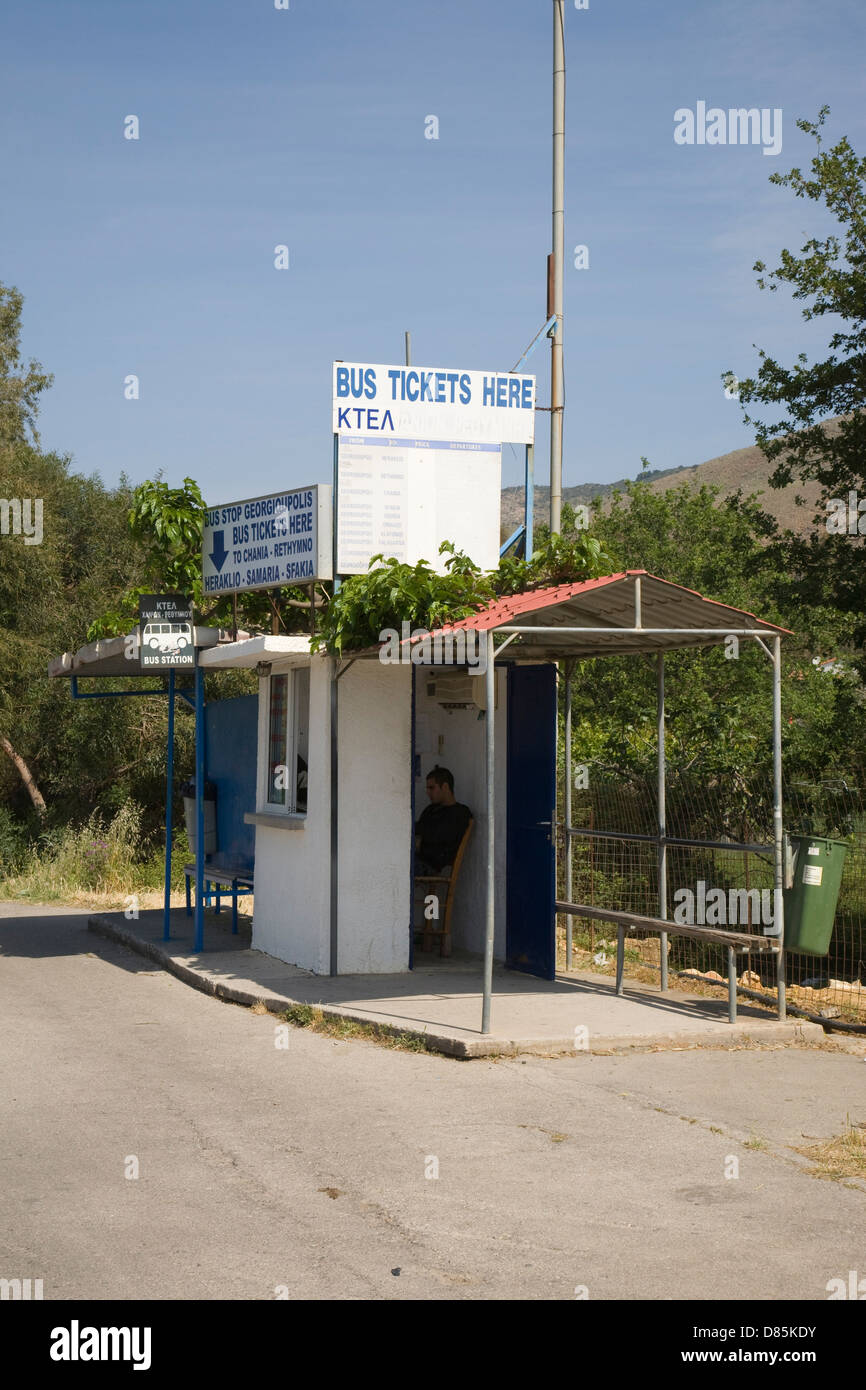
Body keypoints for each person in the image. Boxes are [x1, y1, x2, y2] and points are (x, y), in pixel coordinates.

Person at [415, 766, 471, 875]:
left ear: (445, 787)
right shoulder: (431, 809)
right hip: (419, 859)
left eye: (431, 788)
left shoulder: (460, 813)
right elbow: (417, 831)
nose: (428, 792)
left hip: (433, 865)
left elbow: (437, 837)